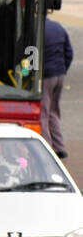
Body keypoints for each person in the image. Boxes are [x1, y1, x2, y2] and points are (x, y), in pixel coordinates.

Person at [44, 16, 73, 158]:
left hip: (45, 76)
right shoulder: (58, 28)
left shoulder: (35, 30)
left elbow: (30, 57)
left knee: (43, 112)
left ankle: (47, 147)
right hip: (59, 74)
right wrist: (62, 69)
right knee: (53, 111)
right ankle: (59, 147)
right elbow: (69, 52)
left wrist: (26, 74)